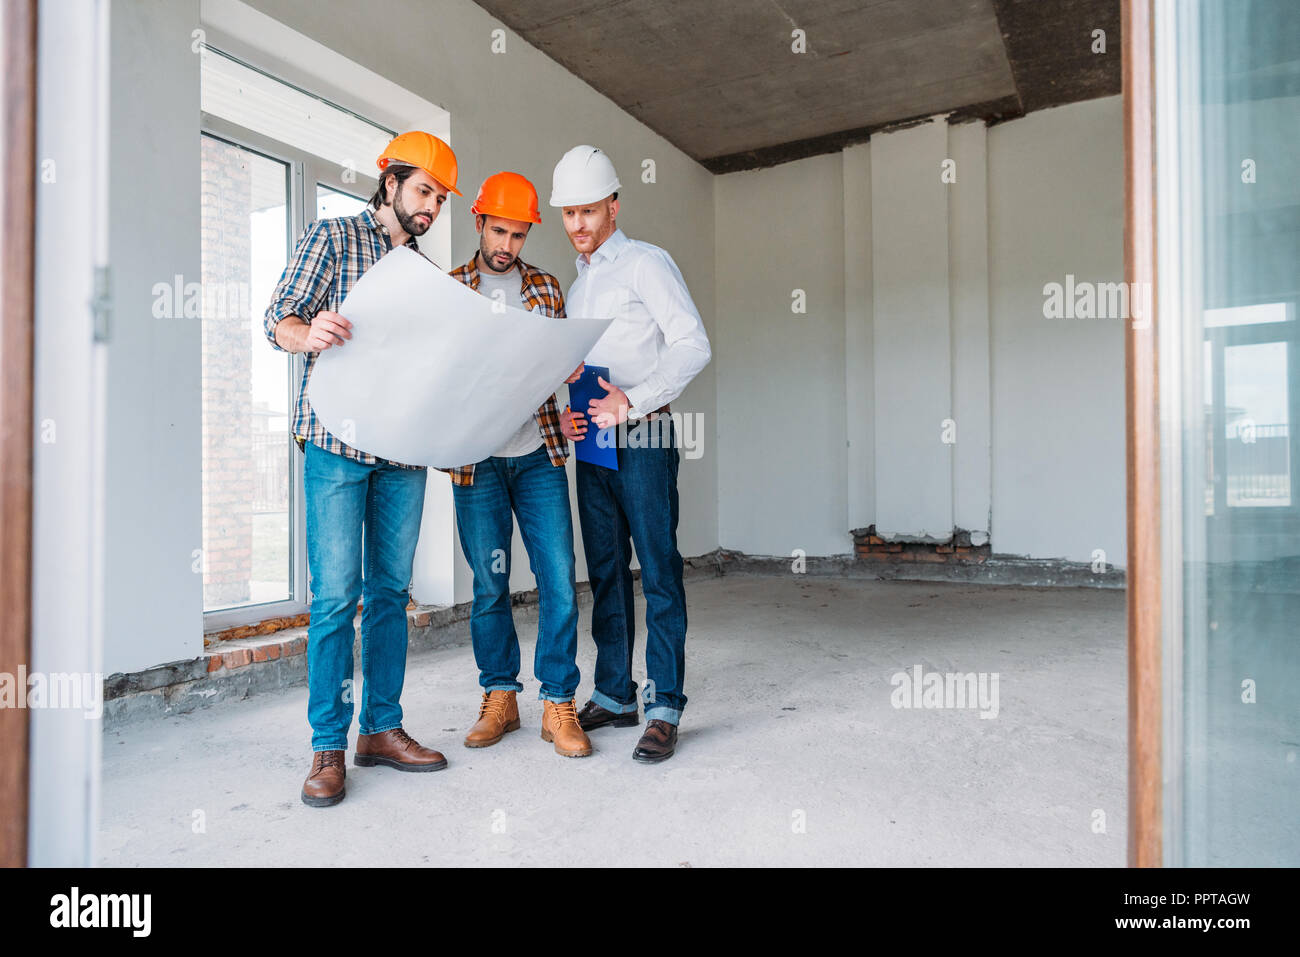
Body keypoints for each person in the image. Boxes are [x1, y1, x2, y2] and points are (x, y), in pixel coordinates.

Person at [264, 131, 460, 807]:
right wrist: (307, 332)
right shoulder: (334, 236)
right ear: (391, 181)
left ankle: (381, 727)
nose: (431, 206)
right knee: (335, 597)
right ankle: (327, 745)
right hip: (337, 444)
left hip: (402, 451)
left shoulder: (427, 275)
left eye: (439, 197)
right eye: (423, 190)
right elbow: (277, 320)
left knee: (390, 594)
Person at [550, 145, 711, 762]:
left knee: (659, 569)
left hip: (643, 436)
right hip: (592, 442)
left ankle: (664, 703)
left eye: (589, 210)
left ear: (614, 206)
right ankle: (616, 694)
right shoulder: (578, 285)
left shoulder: (647, 264)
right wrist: (574, 407)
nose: (579, 225)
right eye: (568, 214)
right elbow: (583, 367)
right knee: (608, 570)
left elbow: (692, 345)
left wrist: (635, 402)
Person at [439, 171, 592, 758]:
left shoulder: (547, 289)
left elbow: (561, 363)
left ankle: (558, 702)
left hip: (539, 457)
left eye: (518, 234)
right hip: (476, 463)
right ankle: (500, 695)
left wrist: (573, 404)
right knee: (489, 585)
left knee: (557, 578)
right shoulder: (450, 289)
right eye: (498, 230)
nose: (506, 245)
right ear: (478, 222)